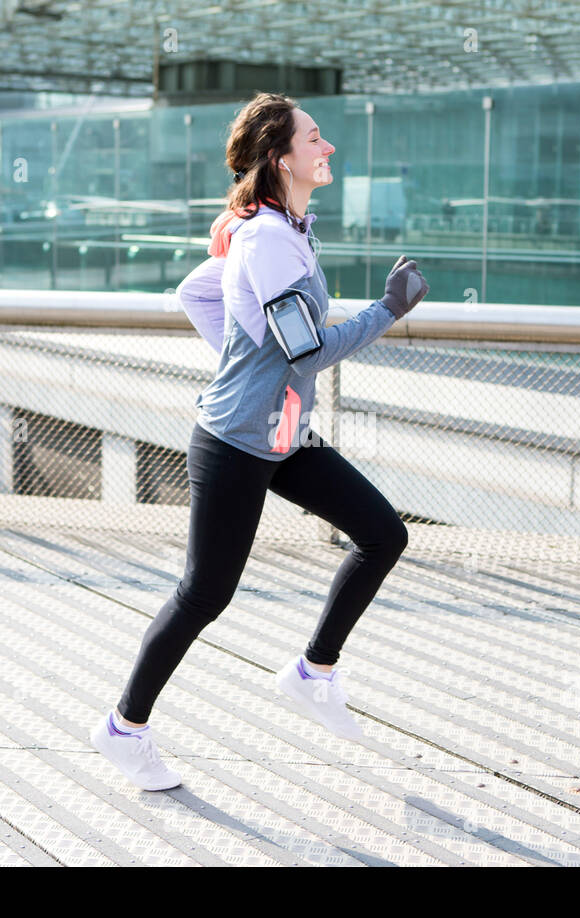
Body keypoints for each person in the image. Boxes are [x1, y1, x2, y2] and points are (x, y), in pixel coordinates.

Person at [90, 92, 429, 791]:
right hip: (237, 441)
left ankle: (313, 672)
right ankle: (123, 729)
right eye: (313, 138)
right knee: (204, 594)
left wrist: (248, 365)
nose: (327, 147)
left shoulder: (279, 227)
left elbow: (197, 293)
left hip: (281, 434)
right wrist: (388, 309)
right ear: (280, 157)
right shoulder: (269, 239)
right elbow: (306, 351)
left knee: (382, 535)